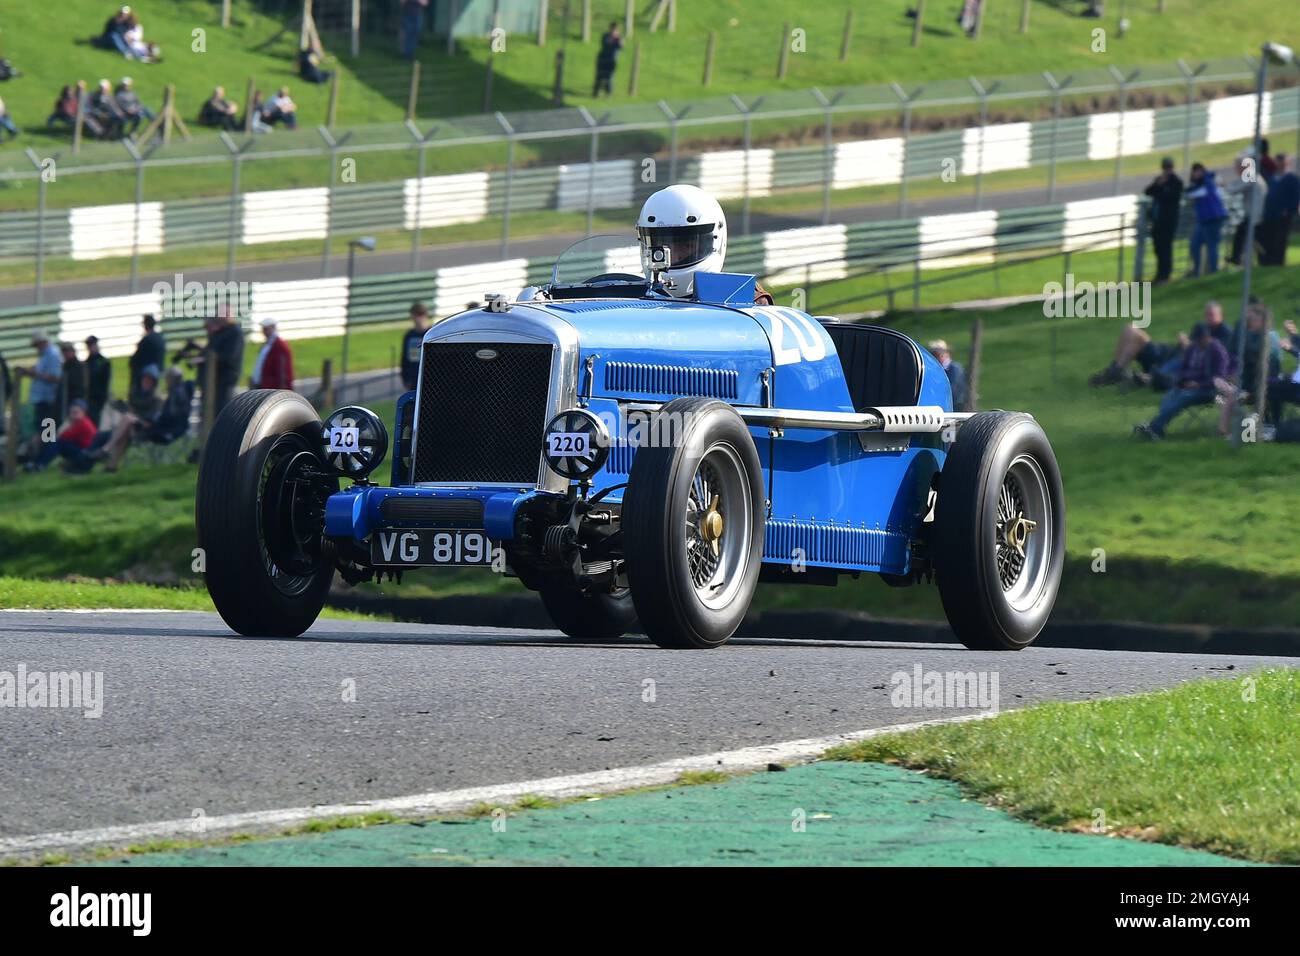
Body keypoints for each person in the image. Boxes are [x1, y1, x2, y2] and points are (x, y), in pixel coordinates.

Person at [1090, 300, 1231, 389]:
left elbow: (1206, 357)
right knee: (1130, 329)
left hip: (1174, 361)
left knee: (1135, 336)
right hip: (1170, 353)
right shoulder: (1203, 327)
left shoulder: (1224, 333)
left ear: (1221, 316)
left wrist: (1187, 344)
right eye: (1207, 315)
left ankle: (1117, 371)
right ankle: (1116, 369)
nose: (1208, 318)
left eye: (1212, 315)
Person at [1133, 323, 1230, 440]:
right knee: (1170, 395)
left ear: (1207, 337)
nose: (1197, 342)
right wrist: (1182, 381)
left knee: (1183, 397)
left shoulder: (1218, 351)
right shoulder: (1193, 349)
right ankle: (1158, 426)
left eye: (1199, 339)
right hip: (1188, 385)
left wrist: (1198, 384)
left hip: (1207, 390)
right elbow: (1183, 368)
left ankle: (1154, 428)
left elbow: (1219, 378)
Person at [14, 331, 64, 450]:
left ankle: (47, 452)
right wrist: (28, 371)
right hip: (41, 398)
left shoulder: (53, 354)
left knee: (47, 427)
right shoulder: (45, 355)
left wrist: (36, 373)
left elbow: (55, 377)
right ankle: (44, 452)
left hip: (48, 398)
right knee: (42, 426)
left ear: (42, 343)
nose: (36, 348)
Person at [26, 400, 99, 474]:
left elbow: (60, 435)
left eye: (75, 413)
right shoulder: (82, 422)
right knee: (54, 442)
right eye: (71, 413)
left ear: (83, 413)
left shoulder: (82, 424)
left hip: (86, 455)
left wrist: (67, 422)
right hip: (83, 452)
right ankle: (37, 463)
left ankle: (39, 464)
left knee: (58, 443)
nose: (72, 415)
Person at [1143, 157, 1183, 284]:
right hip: (1157, 221)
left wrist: (1161, 189)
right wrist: (1158, 185)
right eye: (1165, 168)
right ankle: (1160, 274)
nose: (1166, 170)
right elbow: (1148, 191)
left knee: (1166, 248)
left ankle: (1165, 275)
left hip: (1169, 221)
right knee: (1158, 248)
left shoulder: (1176, 182)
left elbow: (1170, 197)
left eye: (1168, 167)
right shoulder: (1159, 181)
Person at [1225, 153, 1268, 267]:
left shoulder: (1250, 176)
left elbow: (1234, 189)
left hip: (1255, 216)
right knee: (1244, 236)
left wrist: (1224, 185)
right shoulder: (1252, 176)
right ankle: (1238, 258)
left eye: (1237, 167)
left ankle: (1238, 259)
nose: (1236, 170)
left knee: (1245, 237)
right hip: (1253, 214)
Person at [1185, 162, 1227, 277]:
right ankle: (1197, 271)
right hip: (1204, 219)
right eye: (1194, 172)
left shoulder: (1207, 182)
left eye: (1198, 171)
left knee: (1212, 246)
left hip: (1213, 218)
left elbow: (1193, 193)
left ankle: (1213, 272)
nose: (1196, 174)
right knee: (1195, 245)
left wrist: (1188, 191)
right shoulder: (1207, 181)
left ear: (1202, 171)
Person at [203, 307, 244, 419]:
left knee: (224, 410)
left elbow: (230, 356)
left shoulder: (235, 332)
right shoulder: (221, 332)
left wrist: (211, 359)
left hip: (227, 378)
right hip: (215, 379)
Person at [1259, 153, 1299, 266]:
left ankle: (1278, 262)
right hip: (1270, 214)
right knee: (1269, 239)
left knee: (1280, 239)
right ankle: (1269, 262)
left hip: (1283, 215)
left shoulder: (1292, 178)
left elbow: (1296, 197)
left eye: (1281, 161)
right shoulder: (1273, 178)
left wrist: (1289, 210)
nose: (1279, 164)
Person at [129, 314, 165, 396]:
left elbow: (136, 359)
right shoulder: (160, 338)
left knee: (146, 396)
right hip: (158, 371)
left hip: (147, 373)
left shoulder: (146, 340)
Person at [250, 319, 293, 390]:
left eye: (266, 329)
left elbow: (282, 370)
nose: (264, 332)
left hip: (272, 388)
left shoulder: (279, 345)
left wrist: (283, 389)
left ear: (273, 328)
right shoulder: (267, 344)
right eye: (263, 329)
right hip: (262, 385)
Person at [929, 340, 969, 411]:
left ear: (946, 354)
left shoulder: (955, 368)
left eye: (938, 354)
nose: (935, 357)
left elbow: (954, 391)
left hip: (955, 408)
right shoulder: (937, 370)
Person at [400, 301, 431, 391]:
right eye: (416, 315)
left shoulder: (432, 334)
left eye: (421, 314)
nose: (418, 318)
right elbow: (405, 359)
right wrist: (406, 379)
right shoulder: (409, 336)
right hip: (414, 379)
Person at [84, 335, 112, 426]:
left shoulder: (104, 362)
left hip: (99, 397)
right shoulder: (86, 363)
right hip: (88, 397)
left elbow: (105, 382)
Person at [593, 22, 623, 97]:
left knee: (609, 77)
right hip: (603, 59)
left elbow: (620, 47)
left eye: (615, 29)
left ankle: (608, 93)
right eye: (612, 29)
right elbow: (604, 44)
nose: (613, 31)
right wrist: (612, 39)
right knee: (599, 75)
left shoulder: (618, 38)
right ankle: (596, 92)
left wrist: (618, 39)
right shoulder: (605, 36)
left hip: (612, 61)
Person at [59, 342, 86, 419]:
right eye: (64, 351)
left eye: (68, 351)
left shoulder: (80, 366)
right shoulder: (64, 366)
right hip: (66, 400)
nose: (66, 353)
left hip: (77, 400)